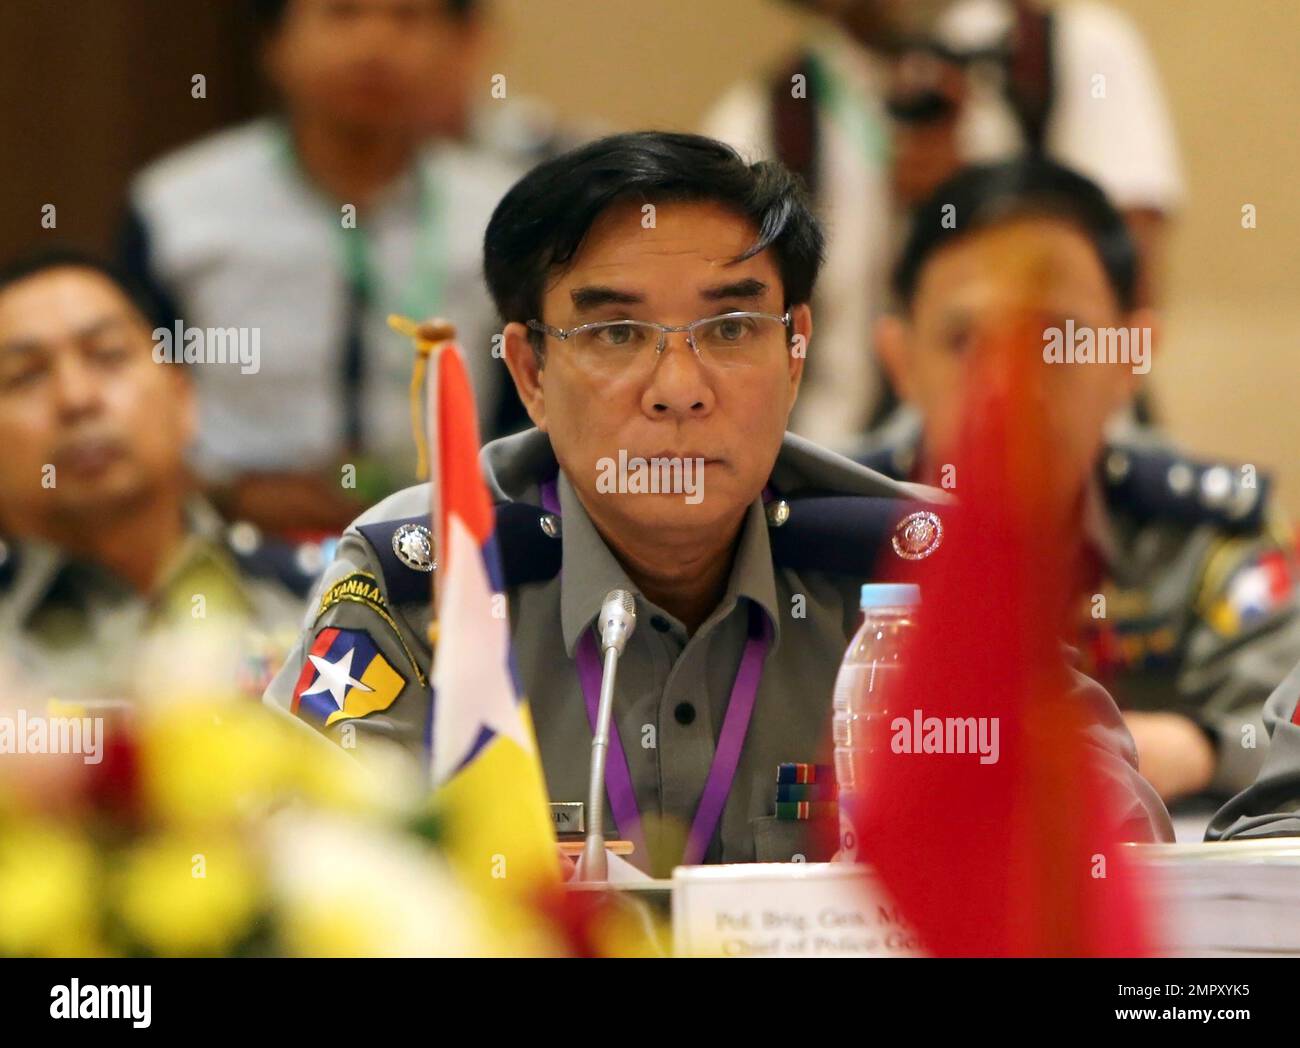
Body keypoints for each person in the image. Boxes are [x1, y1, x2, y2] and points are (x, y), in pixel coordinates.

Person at [264, 132, 1171, 875]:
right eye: (618, 332)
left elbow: (1114, 857)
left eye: (732, 329)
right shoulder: (424, 575)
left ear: (797, 353)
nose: (679, 388)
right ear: (531, 371)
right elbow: (295, 877)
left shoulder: (916, 565)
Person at [858, 158, 1300, 809]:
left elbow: (1279, 721)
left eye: (1056, 339)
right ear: (900, 358)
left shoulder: (1203, 532)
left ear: (1133, 354)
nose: (1009, 386)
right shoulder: (823, 521)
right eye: (965, 340)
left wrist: (1200, 744)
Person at [117, 0, 525, 539]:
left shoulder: (506, 211)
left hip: (448, 546)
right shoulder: (176, 208)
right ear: (274, 43)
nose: (375, 46)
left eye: (407, 18)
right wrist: (223, 492)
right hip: (221, 542)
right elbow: (128, 399)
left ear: (459, 45)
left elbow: (534, 413)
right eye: (342, 13)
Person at [703, 0, 1183, 448]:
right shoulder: (764, 120)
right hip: (849, 485)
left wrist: (976, 204)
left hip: (1075, 461)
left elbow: (1129, 286)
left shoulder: (1066, 54)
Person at [0, 250, 320, 703]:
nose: (76, 398)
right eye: (25, 376)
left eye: (108, 356)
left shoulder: (319, 603)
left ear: (182, 399)